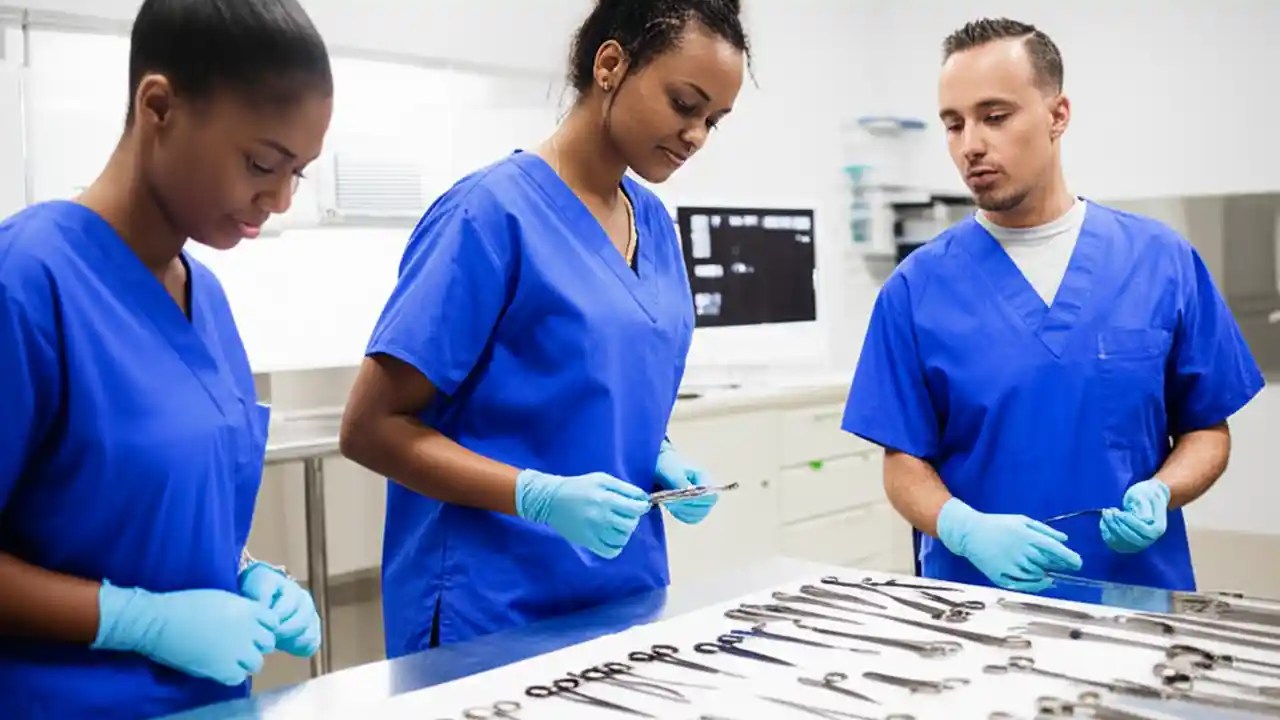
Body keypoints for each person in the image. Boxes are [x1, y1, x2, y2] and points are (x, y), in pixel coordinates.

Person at [339, 0, 749, 655]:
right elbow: (369, 429)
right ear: (610, 64)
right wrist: (536, 496)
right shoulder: (488, 215)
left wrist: (659, 454)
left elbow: (599, 380)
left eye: (713, 121)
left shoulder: (656, 227)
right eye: (683, 103)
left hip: (623, 595)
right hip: (493, 606)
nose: (696, 134)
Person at [842, 18, 1263, 594]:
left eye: (994, 117)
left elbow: (1207, 430)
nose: (971, 144)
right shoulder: (915, 289)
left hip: (1133, 596)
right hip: (976, 607)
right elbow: (903, 464)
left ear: (1057, 115)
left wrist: (1164, 491)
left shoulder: (1161, 261)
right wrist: (965, 530)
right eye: (953, 124)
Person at [0, 1, 333, 716]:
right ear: (159, 106)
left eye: (297, 173)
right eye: (261, 163)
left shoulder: (204, 296)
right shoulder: (28, 282)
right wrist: (137, 621)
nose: (276, 199)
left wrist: (245, 576)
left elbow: (138, 517)